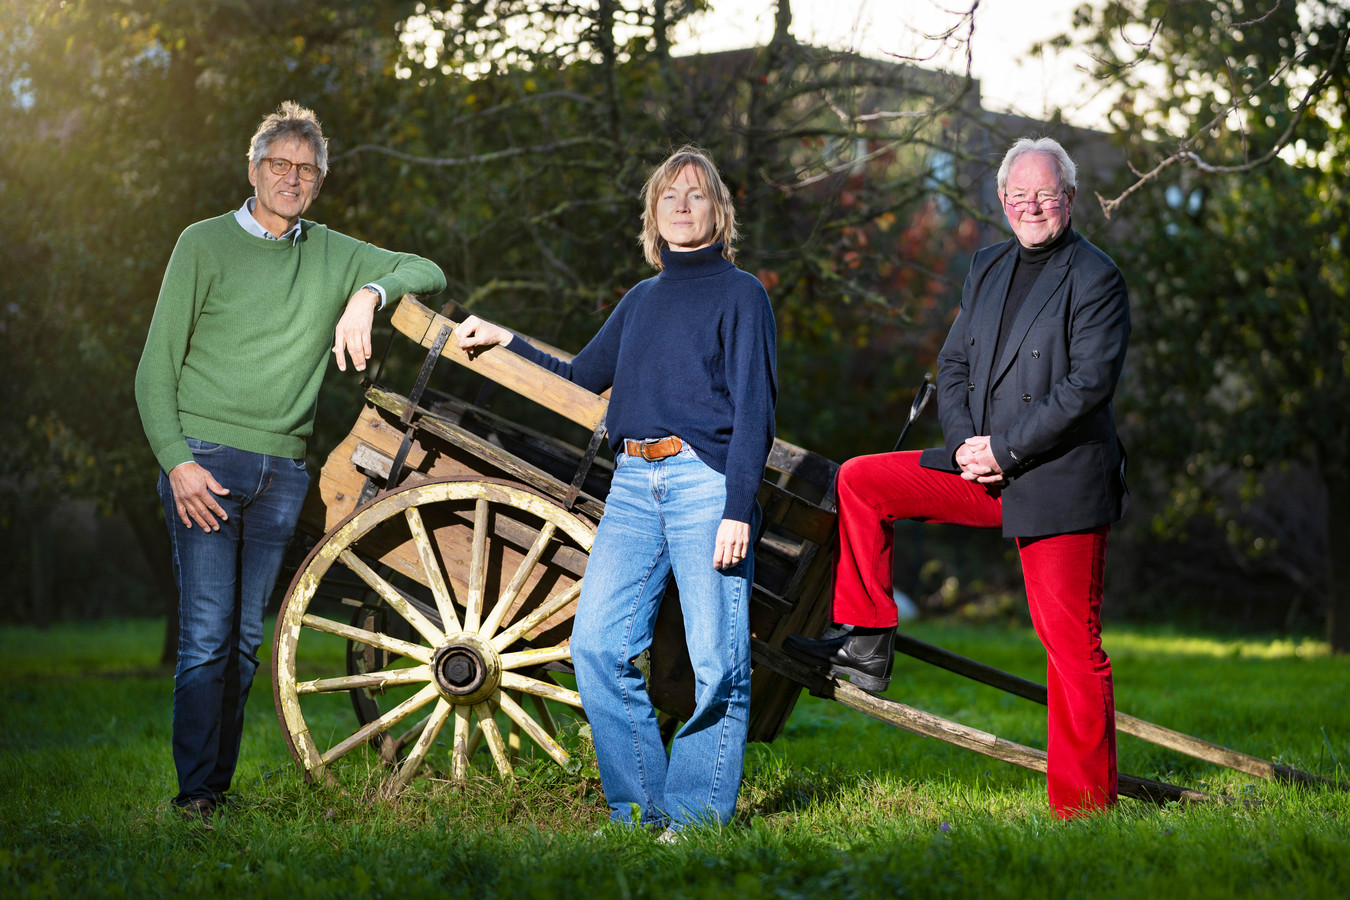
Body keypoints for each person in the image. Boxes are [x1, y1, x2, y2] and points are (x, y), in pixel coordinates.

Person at [785, 137, 1130, 819]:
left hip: (1057, 479)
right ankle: (866, 643)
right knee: (861, 480)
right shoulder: (987, 266)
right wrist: (968, 446)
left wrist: (1004, 449)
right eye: (1019, 195)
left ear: (1069, 198)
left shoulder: (1096, 277)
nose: (1032, 206)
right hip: (981, 466)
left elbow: (1087, 387)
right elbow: (954, 365)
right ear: (1001, 200)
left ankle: (1085, 810)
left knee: (1069, 645)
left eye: (1046, 193)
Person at [135, 101, 446, 825]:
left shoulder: (332, 251)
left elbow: (426, 270)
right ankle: (196, 797)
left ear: (319, 181)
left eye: (306, 169)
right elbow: (153, 372)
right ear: (252, 170)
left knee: (245, 644)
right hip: (205, 462)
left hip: (282, 474)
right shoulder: (202, 244)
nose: (292, 178)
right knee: (206, 638)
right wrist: (177, 463)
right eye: (279, 164)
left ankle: (214, 789)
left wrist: (367, 295)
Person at [455, 146, 777, 835]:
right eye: (669, 197)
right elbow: (579, 377)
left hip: (704, 483)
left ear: (719, 213)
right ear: (653, 215)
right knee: (597, 646)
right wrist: (506, 339)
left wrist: (736, 508)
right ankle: (638, 812)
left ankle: (695, 821)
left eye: (696, 195)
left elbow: (756, 410)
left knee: (718, 660)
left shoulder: (742, 294)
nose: (682, 206)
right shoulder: (640, 300)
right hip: (632, 483)